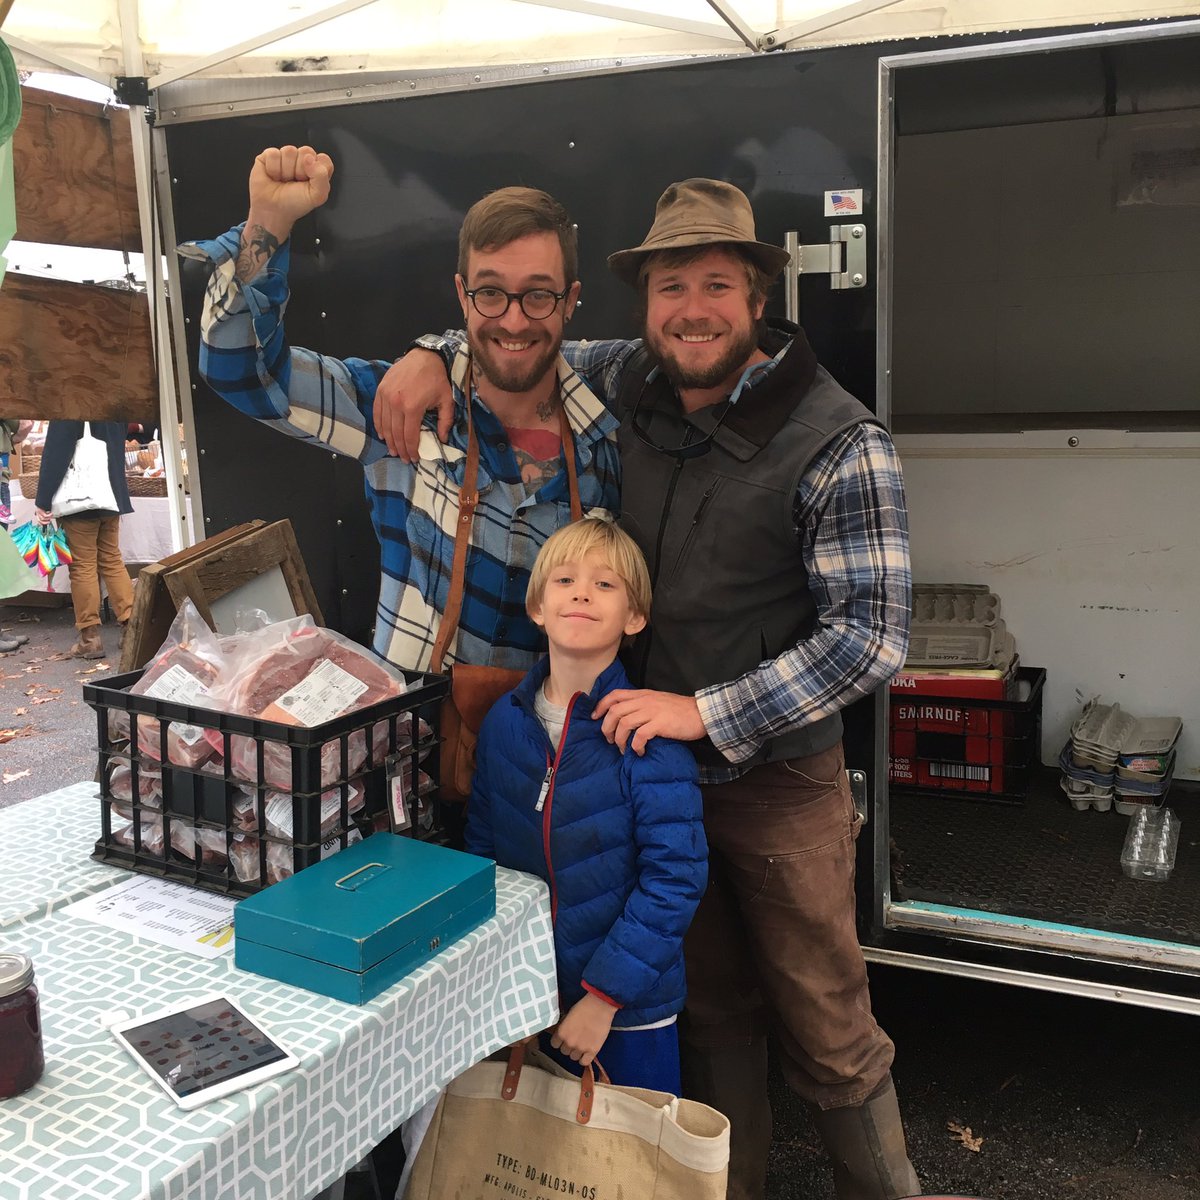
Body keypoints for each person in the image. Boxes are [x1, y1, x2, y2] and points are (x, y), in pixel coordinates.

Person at [377, 179, 917, 1200]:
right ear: (645, 304)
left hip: (773, 783)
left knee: (828, 1024)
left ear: (759, 297)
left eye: (717, 284)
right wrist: (429, 352)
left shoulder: (840, 439)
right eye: (671, 287)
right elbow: (515, 333)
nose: (692, 309)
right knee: (708, 1013)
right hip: (639, 771)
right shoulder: (632, 377)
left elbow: (871, 640)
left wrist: (706, 713)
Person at [181, 145, 619, 675]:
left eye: (539, 295)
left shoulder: (610, 427)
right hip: (416, 723)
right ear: (462, 294)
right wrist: (266, 226)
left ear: (570, 300)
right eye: (490, 292)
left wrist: (439, 346)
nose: (513, 320)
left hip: (561, 725)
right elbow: (242, 373)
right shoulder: (396, 406)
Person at [466, 515, 706, 1092]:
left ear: (634, 616)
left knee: (625, 1147)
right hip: (525, 997)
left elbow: (674, 879)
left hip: (628, 1013)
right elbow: (484, 855)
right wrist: (503, 979)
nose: (581, 593)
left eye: (604, 584)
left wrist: (603, 999)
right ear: (537, 607)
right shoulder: (504, 723)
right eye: (565, 580)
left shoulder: (647, 736)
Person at [34, 420, 134, 660]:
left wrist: (43, 499)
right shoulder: (116, 404)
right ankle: (132, 627)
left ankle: (90, 638)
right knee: (112, 560)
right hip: (111, 494)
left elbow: (57, 452)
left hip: (78, 499)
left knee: (82, 566)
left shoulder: (71, 405)